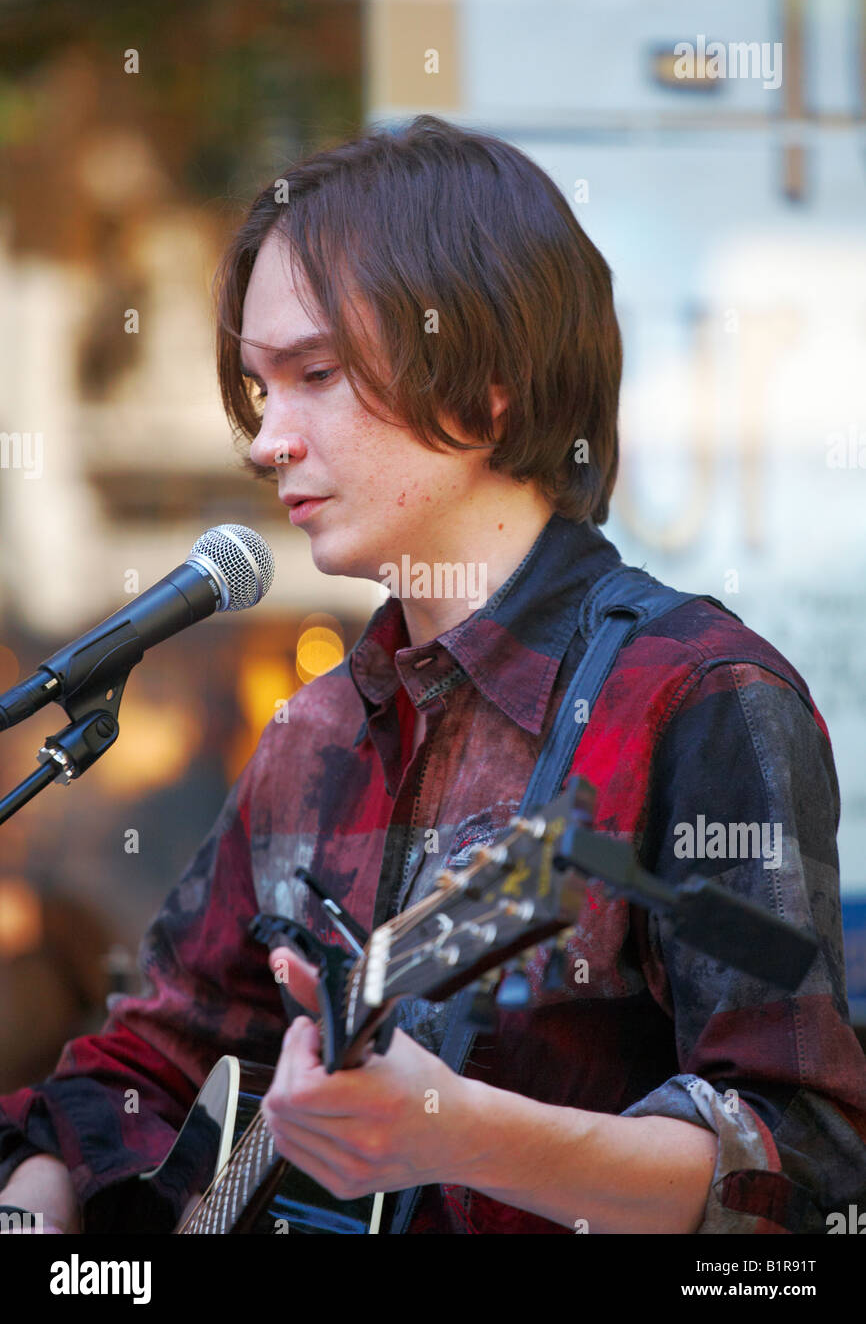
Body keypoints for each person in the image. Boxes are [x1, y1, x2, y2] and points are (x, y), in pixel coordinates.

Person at [1, 115, 865, 1235]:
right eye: (259, 389)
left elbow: (801, 1170)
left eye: (314, 374)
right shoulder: (314, 732)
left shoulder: (696, 696)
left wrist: (457, 1132)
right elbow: (147, 1056)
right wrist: (38, 1206)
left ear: (485, 385)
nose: (265, 440)